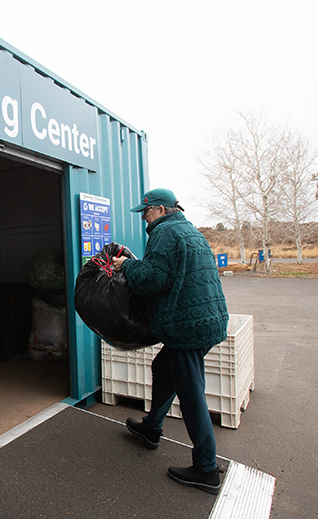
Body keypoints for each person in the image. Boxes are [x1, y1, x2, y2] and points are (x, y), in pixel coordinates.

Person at [111, 188, 229, 494]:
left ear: (161, 210)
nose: (144, 218)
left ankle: (205, 469)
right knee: (164, 368)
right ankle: (151, 428)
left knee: (191, 393)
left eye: (146, 212)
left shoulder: (163, 233)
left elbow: (153, 279)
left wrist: (127, 266)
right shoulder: (190, 231)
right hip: (207, 319)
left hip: (186, 327)